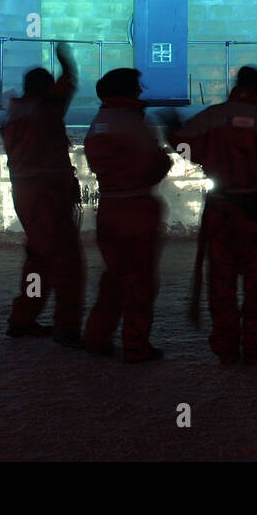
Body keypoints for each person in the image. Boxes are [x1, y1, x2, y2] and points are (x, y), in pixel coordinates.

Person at [167, 67, 257, 364]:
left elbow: (182, 143)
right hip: (256, 211)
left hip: (220, 210)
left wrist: (175, 131)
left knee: (221, 279)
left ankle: (226, 345)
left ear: (235, 86)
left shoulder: (211, 117)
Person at [82, 68, 173, 360]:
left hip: (109, 205)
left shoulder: (99, 122)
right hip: (137, 206)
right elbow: (153, 165)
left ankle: (97, 336)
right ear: (128, 91)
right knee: (141, 279)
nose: (140, 92)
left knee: (114, 276)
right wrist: (166, 160)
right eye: (137, 87)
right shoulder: (135, 122)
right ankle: (136, 343)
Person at [2, 43, 85, 347]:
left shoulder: (13, 113)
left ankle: (24, 317)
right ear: (45, 89)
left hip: (24, 192)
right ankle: (67, 325)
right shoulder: (45, 110)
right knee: (66, 260)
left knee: (38, 257)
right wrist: (67, 63)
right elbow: (69, 85)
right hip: (50, 192)